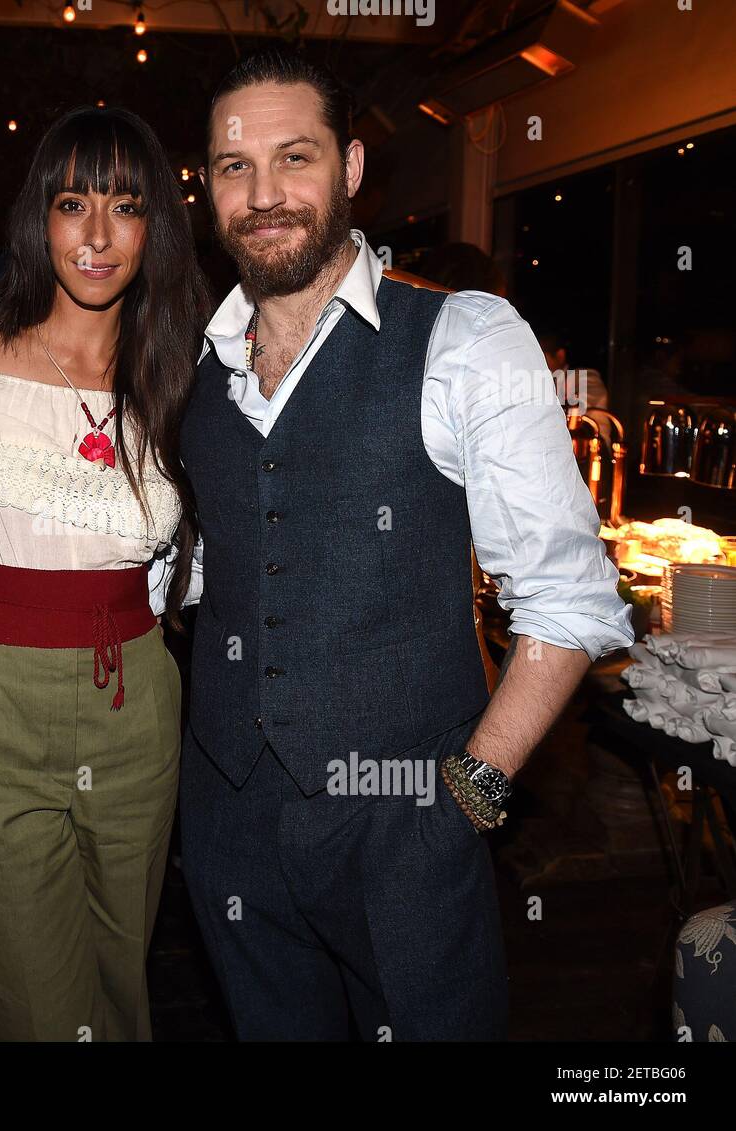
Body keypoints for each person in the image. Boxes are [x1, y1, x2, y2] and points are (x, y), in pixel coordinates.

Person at [176, 49, 634, 1040]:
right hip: (227, 825)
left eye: (292, 158)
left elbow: (568, 603)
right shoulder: (196, 365)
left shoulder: (464, 337)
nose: (263, 196)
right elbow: (220, 574)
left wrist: (465, 798)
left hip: (402, 828)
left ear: (347, 168)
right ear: (207, 188)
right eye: (232, 167)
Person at [0, 105, 208, 1040]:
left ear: (153, 225)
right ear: (37, 218)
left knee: (120, 979)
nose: (95, 236)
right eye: (72, 204)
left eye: (124, 208)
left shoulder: (179, 370)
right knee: (23, 994)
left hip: (138, 696)